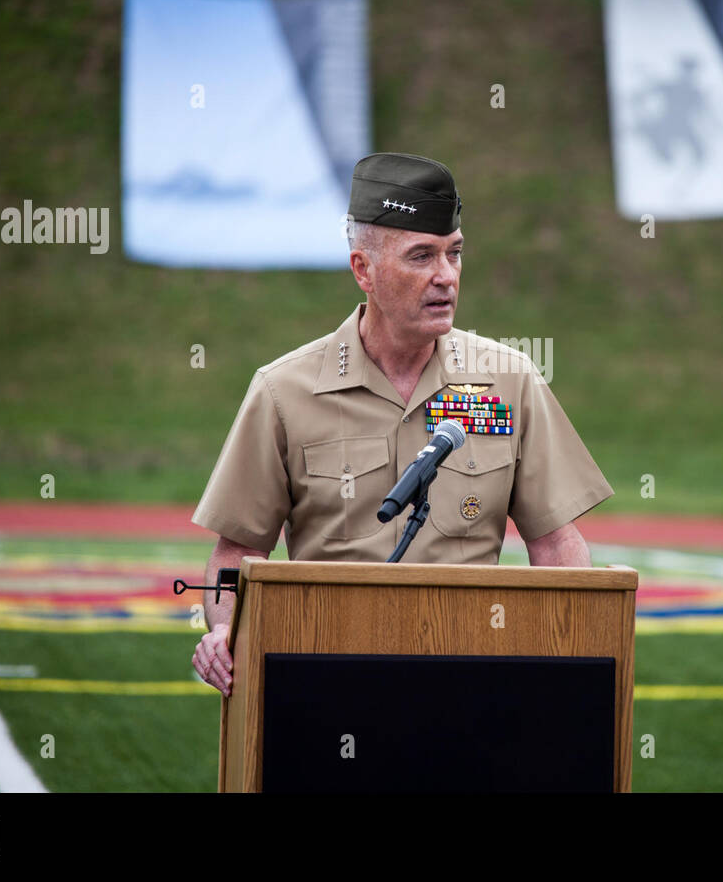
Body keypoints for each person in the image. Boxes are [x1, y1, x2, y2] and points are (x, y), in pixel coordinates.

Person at [190, 152, 613, 696]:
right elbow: (237, 552)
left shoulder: (509, 382)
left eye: (453, 254)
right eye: (421, 257)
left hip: (471, 682)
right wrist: (225, 629)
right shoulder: (284, 391)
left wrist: (567, 654)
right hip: (328, 682)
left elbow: (556, 545)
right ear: (363, 270)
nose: (445, 277)